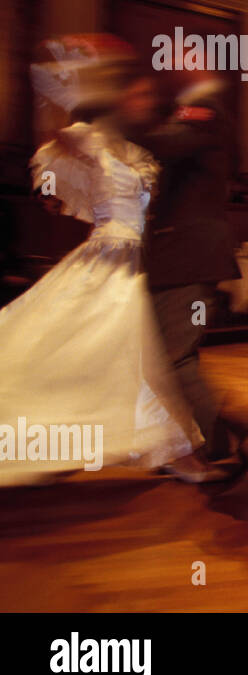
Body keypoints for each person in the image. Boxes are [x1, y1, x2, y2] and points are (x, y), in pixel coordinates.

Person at [1, 35, 197, 485]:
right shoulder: (86, 138)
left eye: (151, 94)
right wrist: (75, 74)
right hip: (108, 257)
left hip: (138, 257)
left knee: (120, 352)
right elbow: (48, 138)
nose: (147, 101)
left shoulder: (141, 154)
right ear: (119, 96)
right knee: (105, 346)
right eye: (140, 92)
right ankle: (174, 452)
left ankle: (164, 448)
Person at [130, 48, 248, 482]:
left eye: (178, 60)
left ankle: (217, 443)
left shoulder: (204, 107)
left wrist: (120, 121)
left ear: (198, 66)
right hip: (177, 254)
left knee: (174, 357)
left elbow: (168, 145)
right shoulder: (191, 109)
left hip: (189, 253)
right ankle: (218, 433)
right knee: (171, 357)